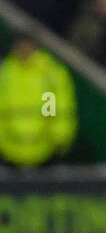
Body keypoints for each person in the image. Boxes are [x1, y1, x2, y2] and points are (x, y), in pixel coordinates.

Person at [0, 33, 77, 167]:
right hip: (8, 148)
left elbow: (56, 108)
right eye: (20, 46)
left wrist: (60, 136)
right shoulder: (5, 73)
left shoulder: (49, 73)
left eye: (27, 45)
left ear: (35, 47)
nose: (23, 50)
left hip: (45, 148)